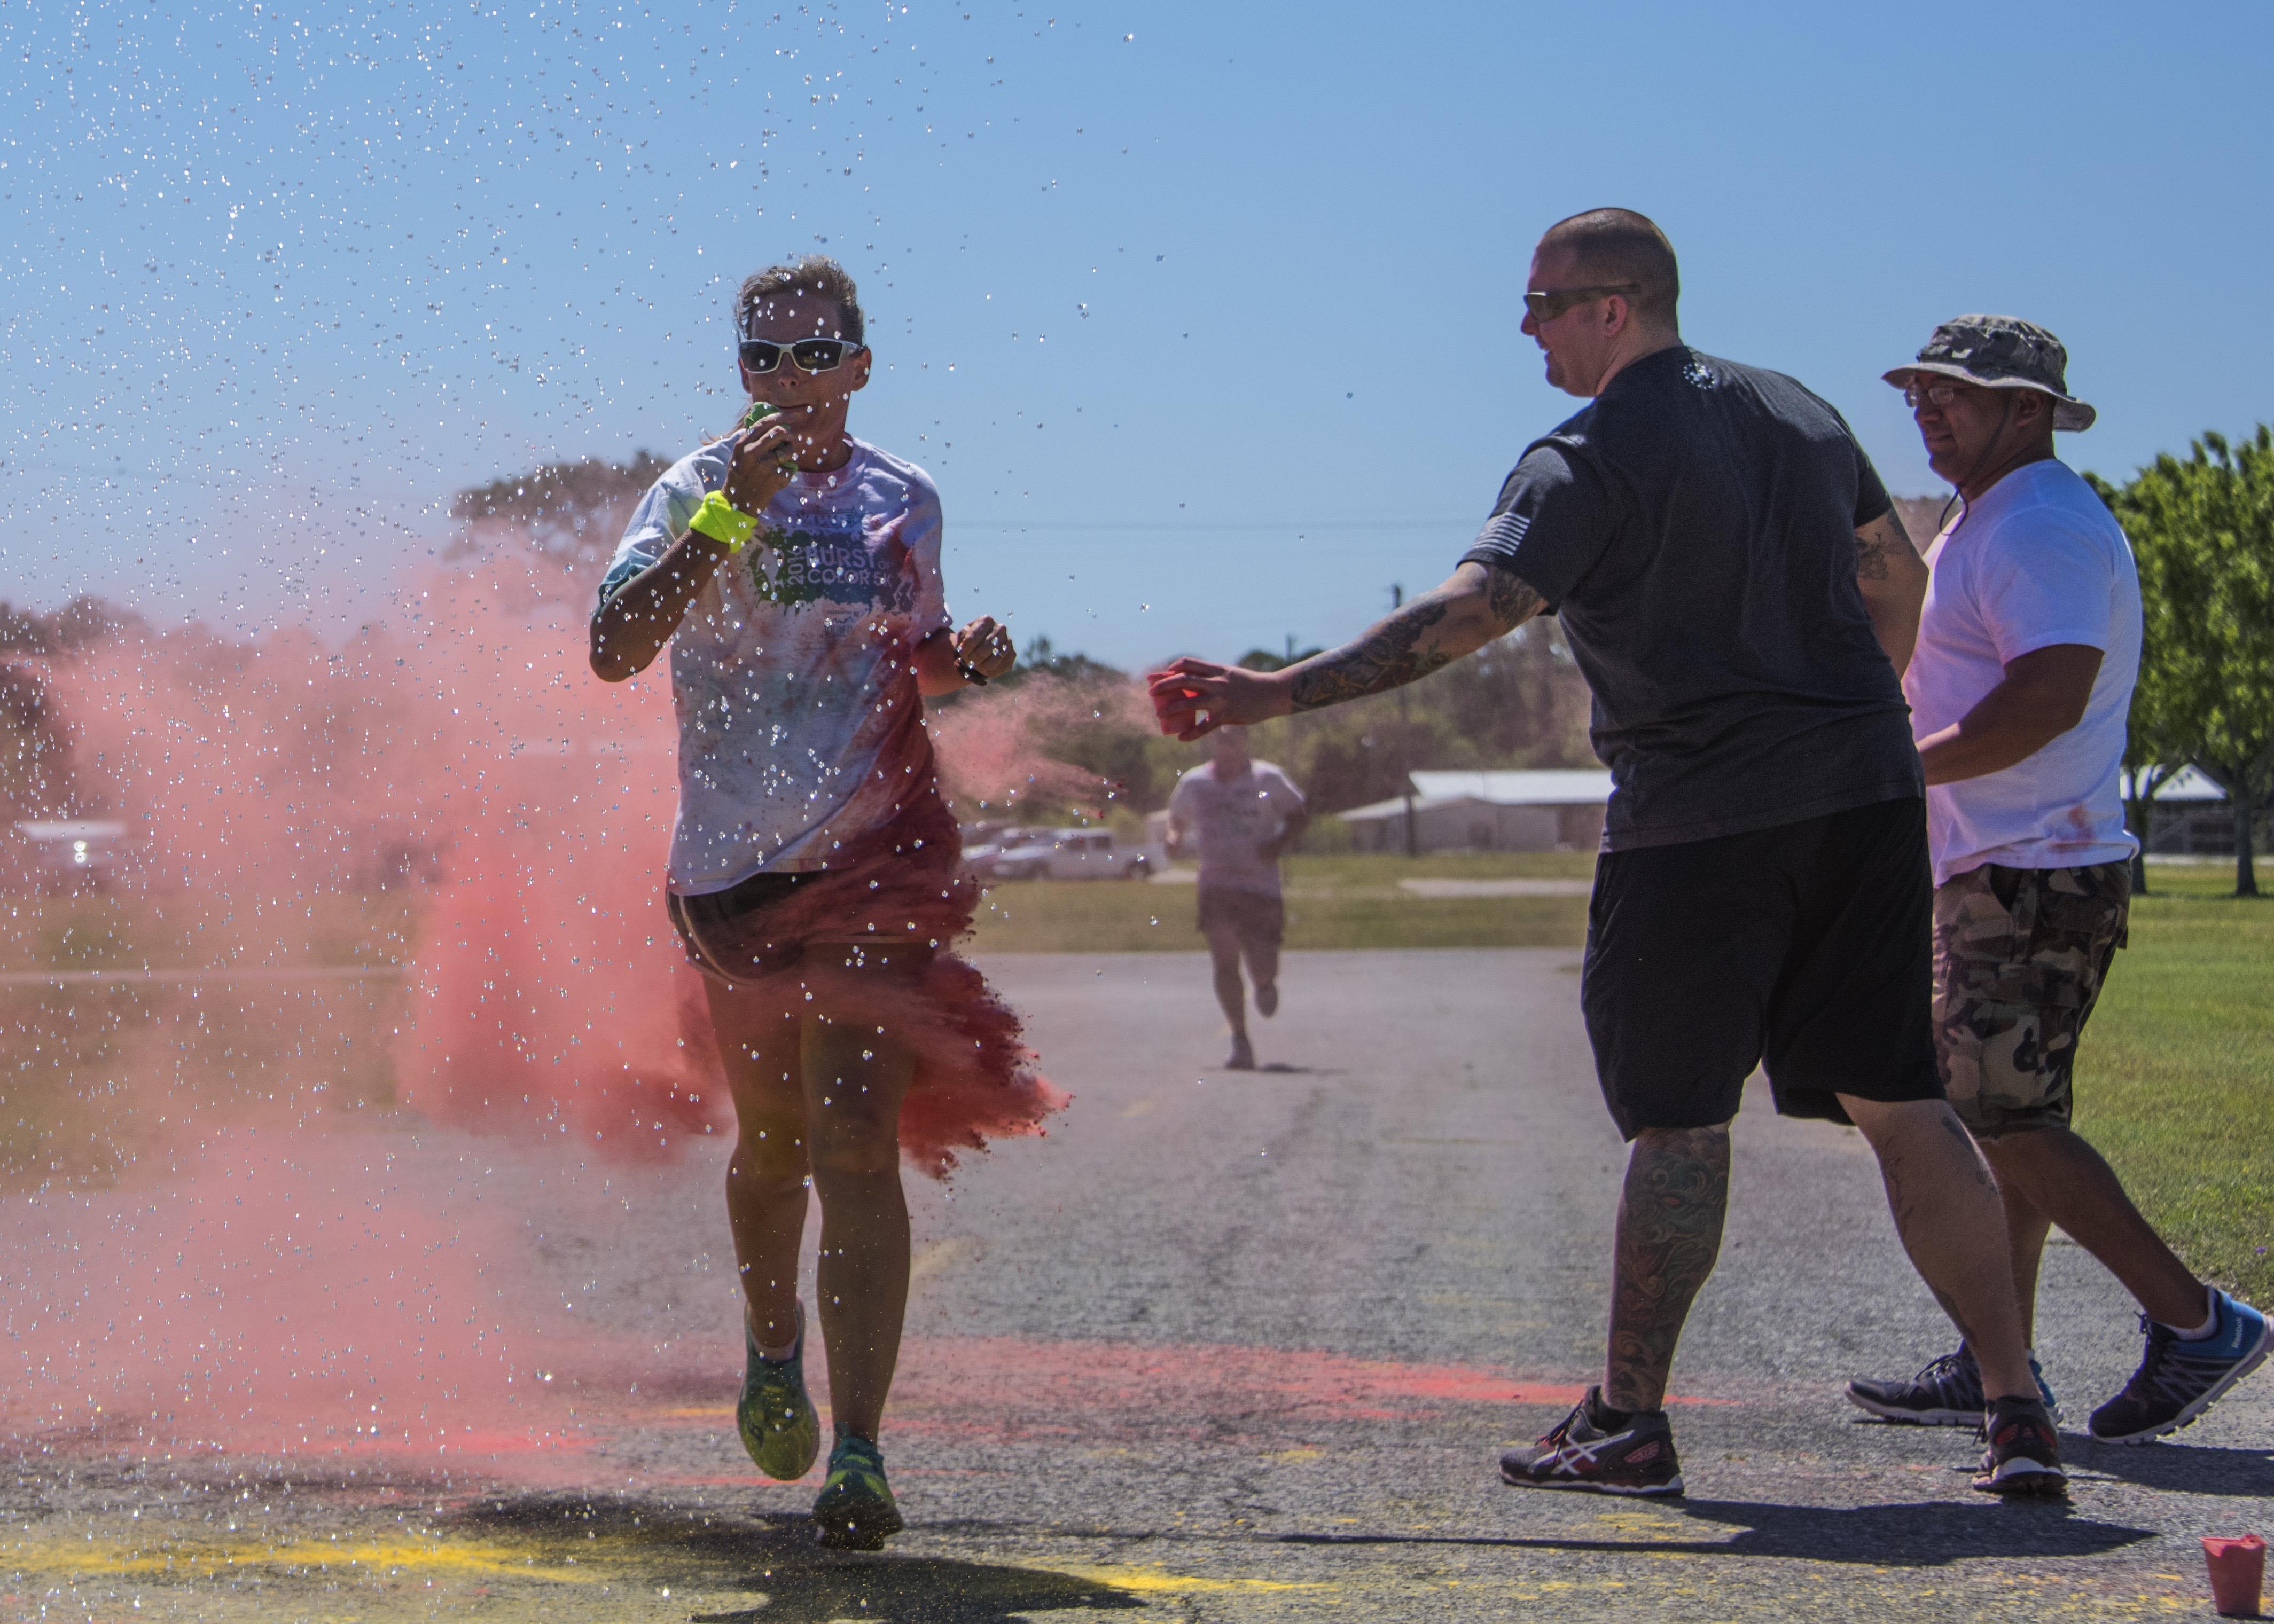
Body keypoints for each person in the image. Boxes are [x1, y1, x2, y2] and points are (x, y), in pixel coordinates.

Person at [1150, 209, 2066, 1497]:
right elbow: (1892, 574)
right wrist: (1857, 709)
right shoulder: (1800, 414)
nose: (1524, 329)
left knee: (1681, 1121)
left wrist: (1272, 692)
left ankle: (1631, 1420)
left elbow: (1474, 610)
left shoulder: (1581, 452)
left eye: (1541, 305)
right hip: (1862, 796)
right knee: (1903, 1104)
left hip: (1700, 818)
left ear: (1613, 309)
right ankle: (2018, 1408)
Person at [588, 255, 1061, 1548]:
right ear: (742, 370)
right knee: (777, 1146)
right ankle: (770, 1339)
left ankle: (861, 1451)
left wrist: (959, 661)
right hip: (735, 874)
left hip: (870, 859)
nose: (791, 379)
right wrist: (731, 516)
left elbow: (905, 656)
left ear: (861, 363)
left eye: (816, 353)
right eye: (766, 356)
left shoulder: (903, 500)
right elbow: (616, 646)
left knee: (857, 1138)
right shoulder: (696, 489)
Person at [1846, 316, 2268, 1441]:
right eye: (1921, 393)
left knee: (1997, 1109)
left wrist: (1894, 774)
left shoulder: (2037, 522)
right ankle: (2001, 1356)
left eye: (1957, 394)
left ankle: (2197, 1321)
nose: (1930, 409)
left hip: (2034, 868)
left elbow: (2044, 699)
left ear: (2027, 408)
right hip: (2003, 862)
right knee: (2007, 1117)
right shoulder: (1987, 518)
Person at [1165, 725, 1309, 1070]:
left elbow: (1299, 814)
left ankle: (1265, 982)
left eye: (1233, 737)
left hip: (1259, 884)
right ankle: (1240, 1039)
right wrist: (1173, 837)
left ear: (1245, 740)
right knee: (1224, 961)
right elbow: (1176, 816)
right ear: (1211, 741)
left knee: (1261, 962)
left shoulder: (1267, 777)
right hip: (1216, 883)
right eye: (1220, 737)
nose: (1226, 743)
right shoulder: (1195, 782)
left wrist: (1277, 844)